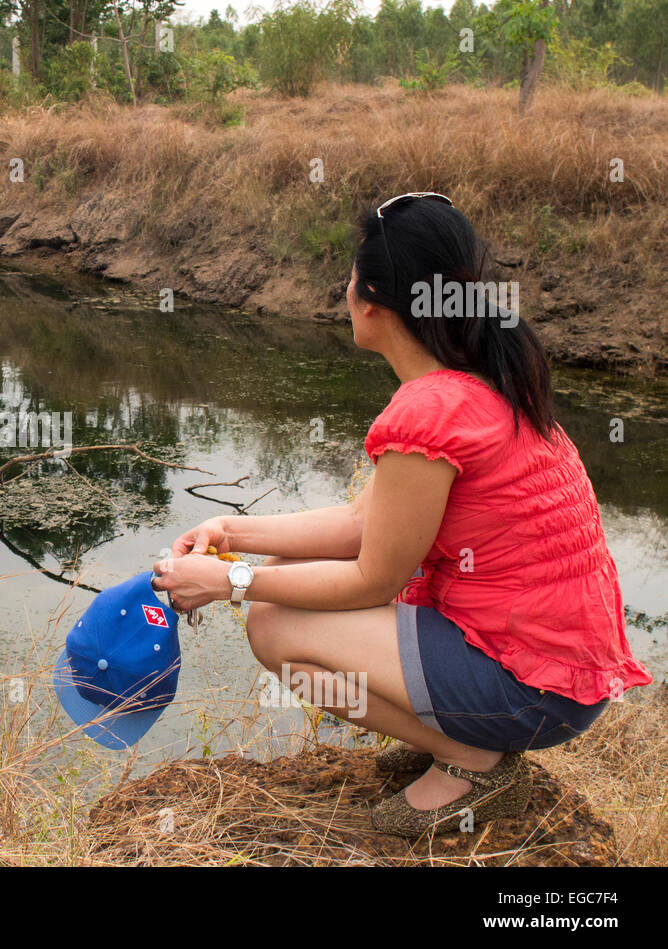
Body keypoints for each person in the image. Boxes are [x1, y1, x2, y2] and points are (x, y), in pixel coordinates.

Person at [151, 193, 652, 837]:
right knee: (287, 571)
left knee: (273, 626)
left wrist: (230, 583)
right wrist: (229, 533)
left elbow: (373, 579)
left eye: (352, 276)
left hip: (531, 688)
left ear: (375, 303)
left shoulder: (430, 411)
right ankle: (455, 735)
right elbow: (364, 525)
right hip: (552, 672)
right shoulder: (482, 378)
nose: (346, 288)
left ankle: (473, 759)